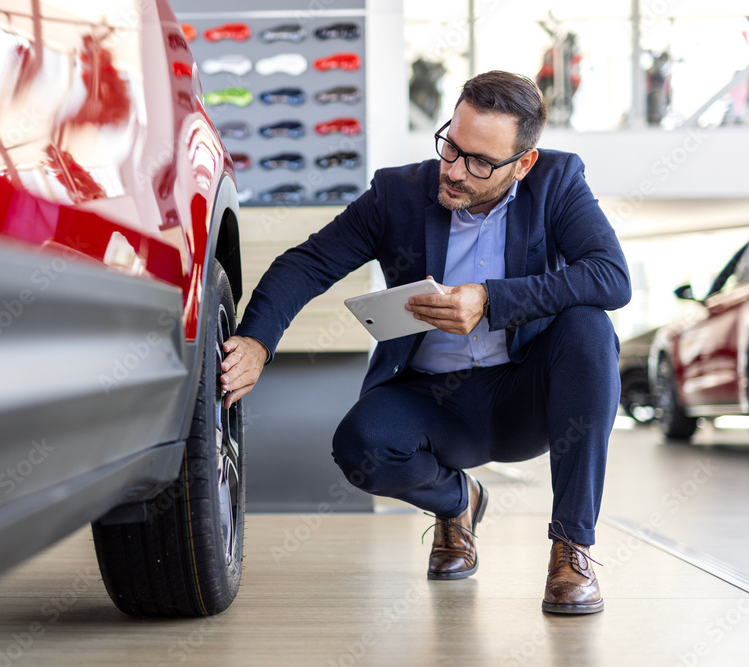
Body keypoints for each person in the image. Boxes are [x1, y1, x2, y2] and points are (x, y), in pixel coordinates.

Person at [219, 70, 630, 615]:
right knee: (360, 447)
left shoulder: (556, 181)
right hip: (432, 400)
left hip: (525, 396)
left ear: (523, 164)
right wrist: (254, 340)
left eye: (479, 162)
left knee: (589, 327)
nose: (454, 170)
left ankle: (571, 547)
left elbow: (610, 277)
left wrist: (490, 299)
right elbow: (309, 262)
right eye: (451, 146)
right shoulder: (400, 194)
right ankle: (460, 503)